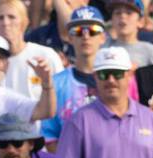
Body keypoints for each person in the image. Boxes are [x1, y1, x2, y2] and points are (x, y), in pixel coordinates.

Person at [41, 6, 111, 140]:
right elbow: (49, 134)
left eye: (93, 30)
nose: (85, 36)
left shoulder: (115, 78)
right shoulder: (56, 83)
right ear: (70, 38)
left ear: (103, 37)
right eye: (78, 31)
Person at [0, 0, 63, 101]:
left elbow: (63, 96)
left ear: (24, 22)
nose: (5, 23)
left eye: (12, 17)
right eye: (0, 18)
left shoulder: (46, 55)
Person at [108, 0, 153, 67]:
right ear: (112, 20)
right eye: (118, 13)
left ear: (140, 21)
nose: (122, 16)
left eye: (129, 13)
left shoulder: (150, 52)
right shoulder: (103, 47)